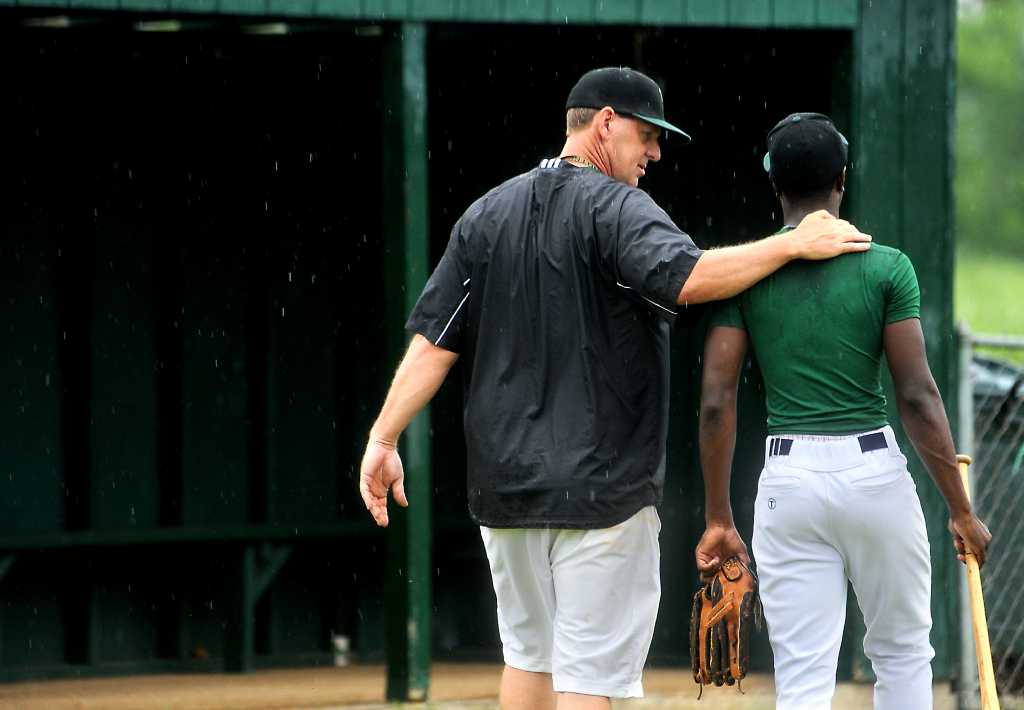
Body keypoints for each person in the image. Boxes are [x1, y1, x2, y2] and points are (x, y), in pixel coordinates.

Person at [359, 71, 870, 710]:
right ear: (605, 123)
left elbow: (434, 342)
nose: (655, 154)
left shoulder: (486, 214)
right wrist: (793, 244)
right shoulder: (618, 207)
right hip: (603, 493)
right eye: (648, 136)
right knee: (591, 681)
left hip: (507, 491)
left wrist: (383, 436)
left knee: (528, 659)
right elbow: (691, 278)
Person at [695, 112, 993, 710]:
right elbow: (916, 395)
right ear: (842, 179)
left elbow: (714, 401)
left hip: (788, 483)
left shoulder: (745, 276)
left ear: (774, 185)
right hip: (874, 474)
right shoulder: (886, 266)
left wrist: (719, 517)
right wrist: (961, 510)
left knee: (803, 678)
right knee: (904, 656)